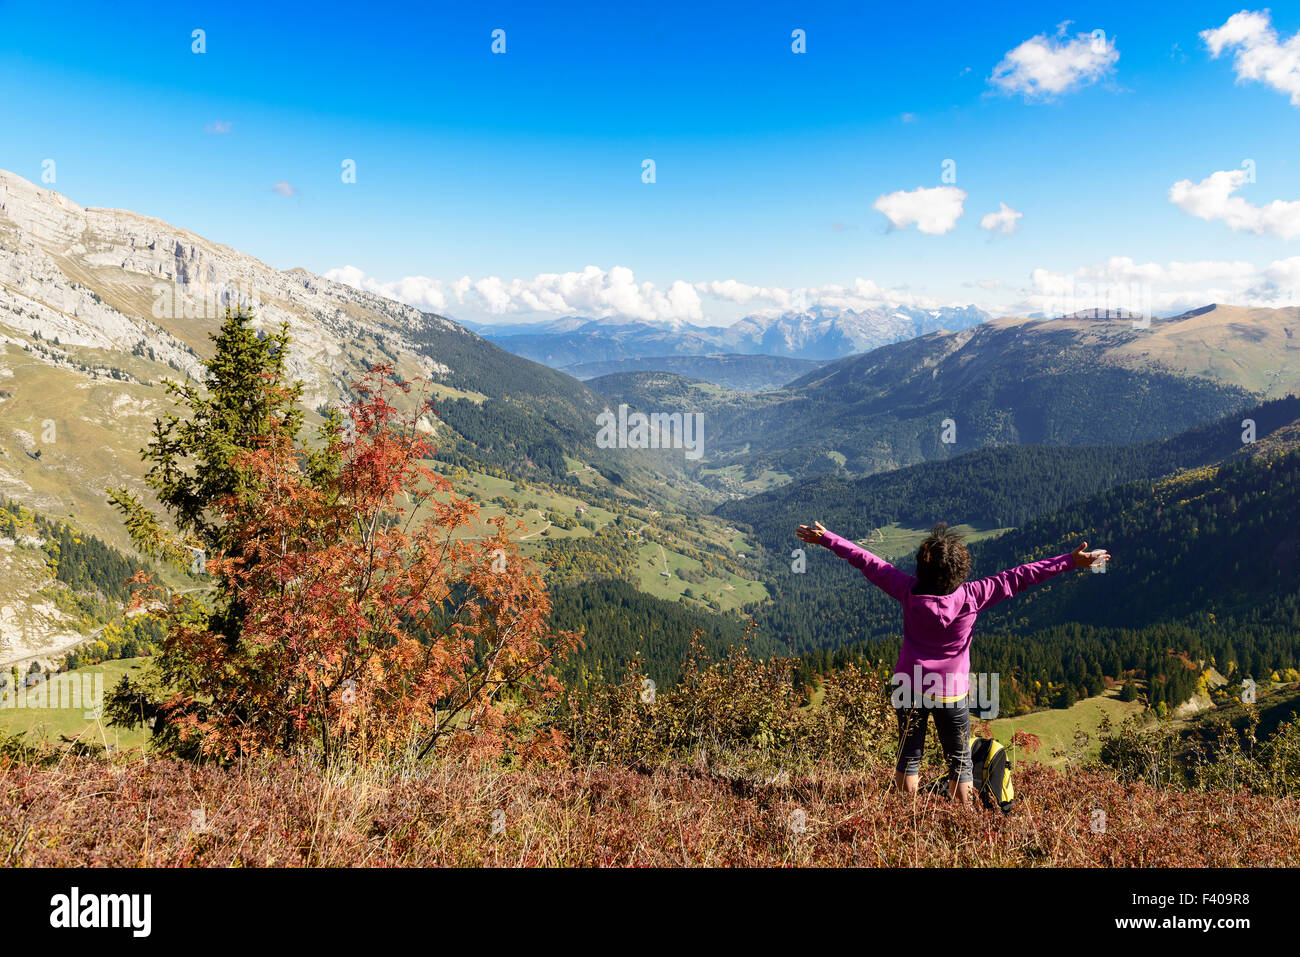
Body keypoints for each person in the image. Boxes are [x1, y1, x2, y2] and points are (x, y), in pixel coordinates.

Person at [795, 520, 1109, 807]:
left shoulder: (906, 590)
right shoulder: (975, 595)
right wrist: (1070, 561)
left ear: (920, 569)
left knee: (909, 756)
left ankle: (908, 819)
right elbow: (1023, 575)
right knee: (959, 760)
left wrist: (829, 539)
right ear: (961, 572)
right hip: (950, 692)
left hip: (908, 686)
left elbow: (869, 563)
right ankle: (964, 822)